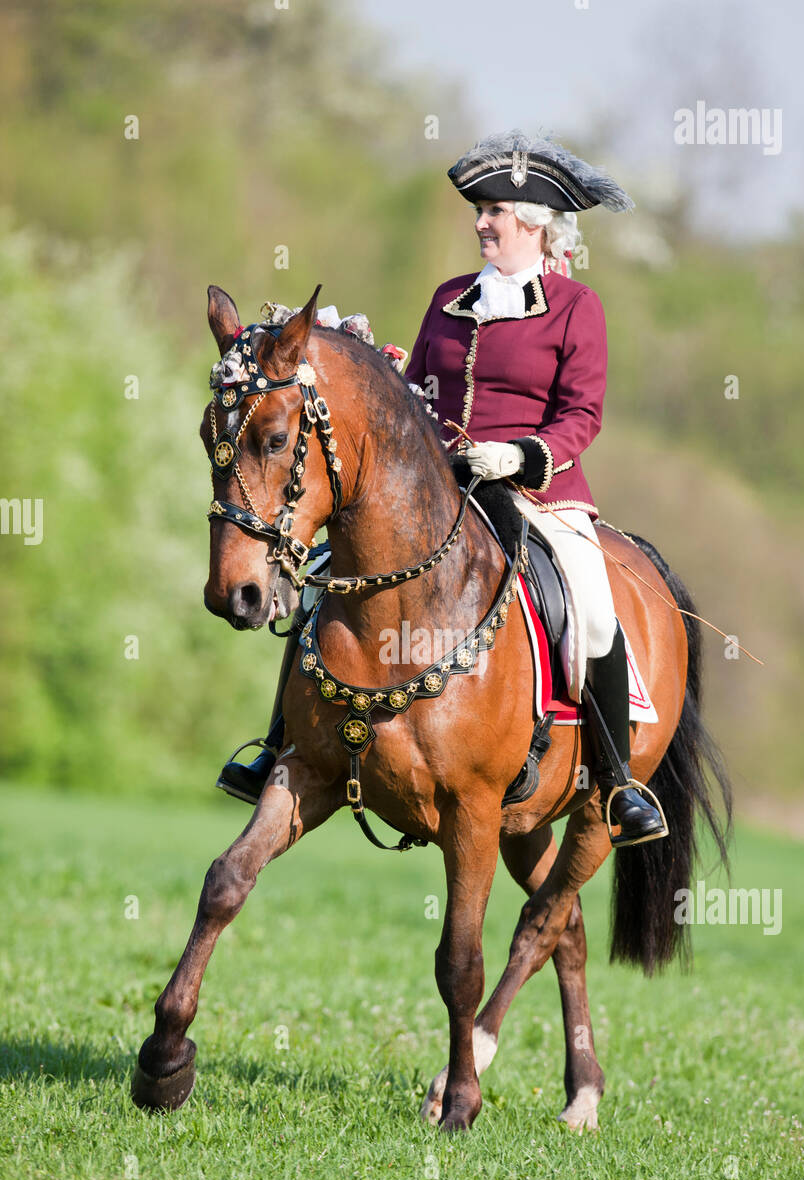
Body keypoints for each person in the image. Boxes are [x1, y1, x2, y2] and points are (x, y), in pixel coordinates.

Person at [217, 130, 665, 847]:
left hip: (539, 493)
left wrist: (519, 454)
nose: (483, 222)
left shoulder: (577, 306)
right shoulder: (450, 298)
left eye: (497, 211)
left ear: (537, 224)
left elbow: (583, 415)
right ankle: (279, 744)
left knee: (595, 612)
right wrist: (376, 366)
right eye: (481, 210)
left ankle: (617, 785)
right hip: (441, 488)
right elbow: (418, 391)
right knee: (323, 585)